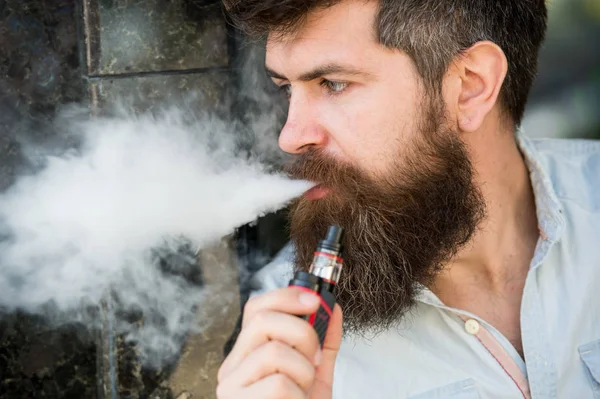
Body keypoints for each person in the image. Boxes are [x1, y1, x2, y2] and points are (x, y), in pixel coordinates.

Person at [216, 1, 600, 398]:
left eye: (332, 84)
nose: (291, 137)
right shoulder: (283, 345)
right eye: (286, 89)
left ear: (470, 85)